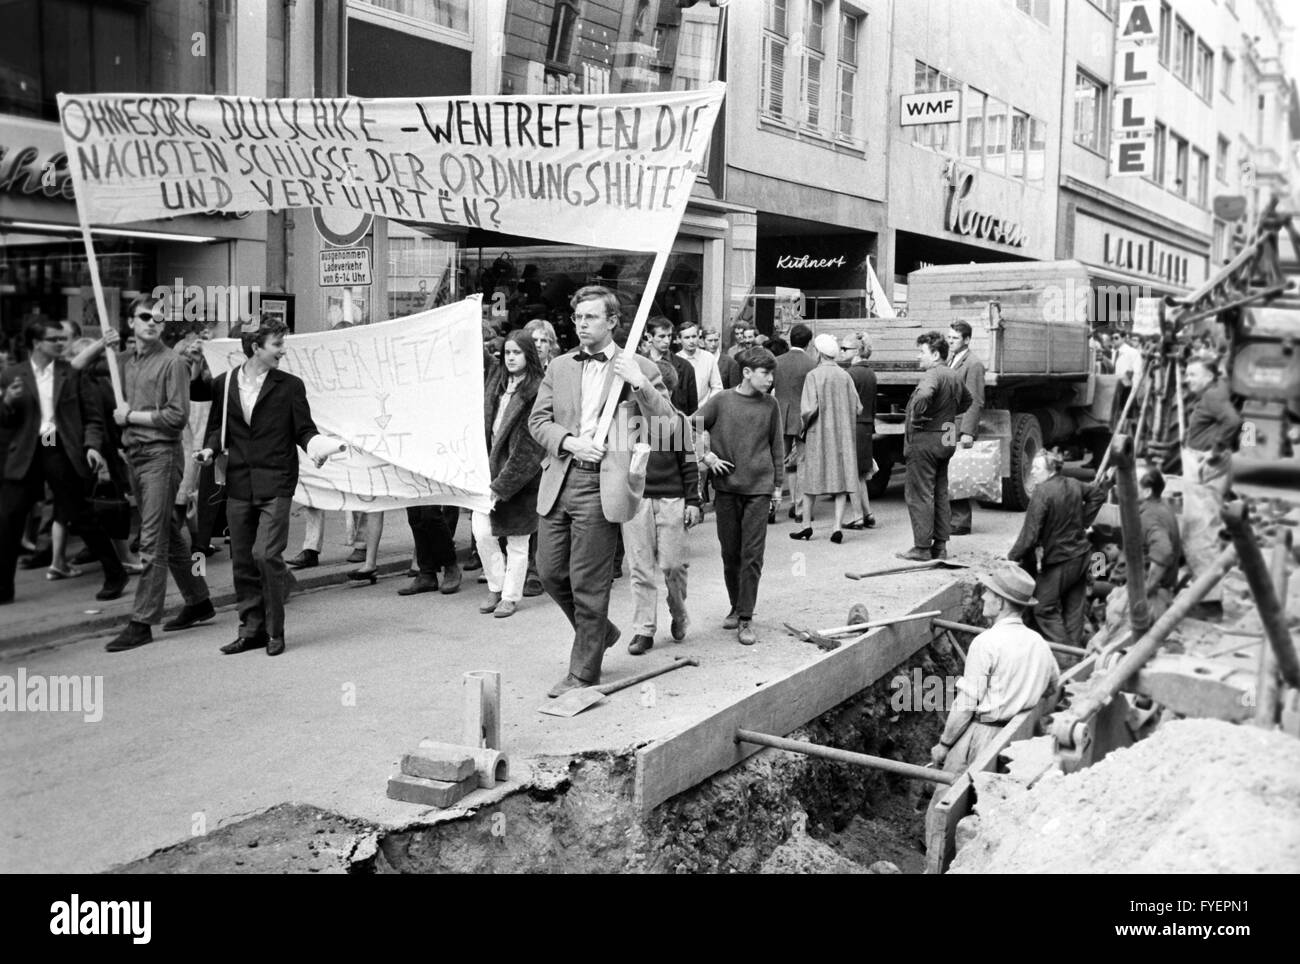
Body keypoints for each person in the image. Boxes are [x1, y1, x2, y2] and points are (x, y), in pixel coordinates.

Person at [528, 285, 673, 697]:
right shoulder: (560, 366)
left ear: (612, 321)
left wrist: (640, 384)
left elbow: (668, 424)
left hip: (603, 483)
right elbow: (538, 422)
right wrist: (569, 441)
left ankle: (583, 670)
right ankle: (601, 631)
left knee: (588, 581)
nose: (581, 325)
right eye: (577, 318)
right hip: (561, 476)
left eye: (590, 317)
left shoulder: (638, 365)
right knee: (552, 571)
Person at [194, 318, 338, 656]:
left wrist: (317, 448)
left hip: (276, 481)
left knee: (265, 554)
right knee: (242, 560)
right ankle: (251, 630)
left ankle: (275, 631)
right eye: (277, 345)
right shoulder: (225, 384)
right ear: (256, 347)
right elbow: (218, 428)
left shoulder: (290, 386)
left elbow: (304, 430)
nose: (283, 351)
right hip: (239, 483)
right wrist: (209, 449)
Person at [104, 296, 213, 652]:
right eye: (144, 316)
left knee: (151, 540)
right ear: (131, 322)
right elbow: (78, 372)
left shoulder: (173, 364)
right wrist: (99, 345)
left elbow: (176, 416)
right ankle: (199, 601)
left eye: (159, 319)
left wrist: (131, 417)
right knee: (168, 529)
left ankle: (142, 622)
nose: (152, 322)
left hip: (161, 457)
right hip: (134, 455)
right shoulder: (125, 362)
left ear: (165, 326)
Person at [0, 321, 128, 605]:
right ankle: (3, 588)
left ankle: (115, 573)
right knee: (9, 519)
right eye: (53, 339)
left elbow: (93, 417)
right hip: (26, 452)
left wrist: (92, 447)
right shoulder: (12, 375)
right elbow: (5, 421)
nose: (60, 343)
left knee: (79, 513)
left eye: (62, 338)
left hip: (57, 447)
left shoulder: (71, 374)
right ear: (36, 343)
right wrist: (7, 401)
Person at [929, 566, 1060, 778]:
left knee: (947, 797)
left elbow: (966, 704)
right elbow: (1053, 685)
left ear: (1000, 602)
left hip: (985, 735)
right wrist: (1022, 695)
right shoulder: (1039, 642)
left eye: (989, 592)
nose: (983, 596)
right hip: (1019, 735)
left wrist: (944, 744)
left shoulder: (986, 642)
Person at [695, 346, 784, 646]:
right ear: (746, 373)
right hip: (726, 489)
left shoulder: (770, 405)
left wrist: (778, 487)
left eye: (772, 373)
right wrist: (706, 457)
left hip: (759, 489)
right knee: (730, 553)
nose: (770, 379)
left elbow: (777, 447)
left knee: (752, 555)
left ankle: (746, 617)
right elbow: (687, 427)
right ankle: (735, 605)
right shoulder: (720, 401)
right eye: (765, 373)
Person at [623, 362, 701, 655]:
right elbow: (617, 464)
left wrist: (693, 501)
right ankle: (644, 629)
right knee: (640, 567)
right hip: (637, 502)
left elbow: (690, 463)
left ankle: (678, 610)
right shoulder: (628, 421)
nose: (656, 396)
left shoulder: (678, 421)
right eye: (650, 389)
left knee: (673, 565)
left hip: (672, 500)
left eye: (661, 390)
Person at [472, 331, 546, 618]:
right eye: (507, 353)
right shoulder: (496, 379)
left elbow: (530, 448)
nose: (511, 358)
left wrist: (503, 485)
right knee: (482, 533)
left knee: (518, 540)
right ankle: (495, 584)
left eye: (517, 352)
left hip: (520, 479)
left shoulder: (538, 389)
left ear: (529, 354)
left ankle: (510, 595)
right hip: (486, 472)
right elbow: (476, 354)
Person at [1007, 450, 1113, 648]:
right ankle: (1075, 652)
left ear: (1050, 470)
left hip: (1061, 559)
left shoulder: (1042, 492)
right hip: (1082, 557)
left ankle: (1064, 657)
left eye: (1037, 468)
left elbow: (1030, 533)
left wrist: (1013, 556)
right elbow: (1098, 495)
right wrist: (1082, 521)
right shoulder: (1073, 483)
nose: (1032, 472)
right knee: (1074, 611)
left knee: (1043, 608)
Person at [898, 332, 971, 562]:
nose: (918, 356)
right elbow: (968, 401)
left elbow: (923, 395)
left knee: (920, 494)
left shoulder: (932, 374)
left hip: (926, 440)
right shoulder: (954, 374)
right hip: (946, 439)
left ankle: (921, 547)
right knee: (940, 492)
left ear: (936, 354)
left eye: (922, 352)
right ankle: (940, 546)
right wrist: (945, 417)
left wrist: (917, 415)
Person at [1180, 357, 1241, 616]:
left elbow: (1234, 421)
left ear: (1208, 376)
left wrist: (1215, 450)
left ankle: (1209, 602)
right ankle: (1206, 593)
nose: (1187, 379)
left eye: (1193, 374)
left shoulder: (1213, 396)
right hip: (1205, 462)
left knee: (1200, 529)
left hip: (1203, 464)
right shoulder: (1217, 390)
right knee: (1205, 526)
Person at [790, 334, 860, 543]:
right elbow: (858, 407)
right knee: (840, 480)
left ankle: (806, 526)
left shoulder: (813, 375)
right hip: (842, 435)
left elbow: (808, 409)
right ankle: (836, 527)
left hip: (818, 434)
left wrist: (803, 427)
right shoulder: (845, 376)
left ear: (819, 353)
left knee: (811, 479)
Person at [773, 323, 817, 521]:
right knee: (803, 464)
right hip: (803, 419)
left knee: (776, 462)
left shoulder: (777, 361)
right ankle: (800, 509)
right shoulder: (811, 364)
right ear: (808, 343)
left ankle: (771, 507)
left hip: (781, 415)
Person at [945, 321, 986, 536]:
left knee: (959, 471)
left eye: (955, 338)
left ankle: (961, 521)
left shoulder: (974, 364)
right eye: (949, 337)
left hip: (960, 424)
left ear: (967, 340)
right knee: (948, 470)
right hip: (948, 423)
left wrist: (968, 431)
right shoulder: (952, 359)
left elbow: (975, 400)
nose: (950, 341)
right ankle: (950, 517)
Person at [839, 334, 877, 529]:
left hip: (852, 425)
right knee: (860, 473)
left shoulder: (850, 374)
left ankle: (857, 516)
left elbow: (845, 404)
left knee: (851, 473)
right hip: (866, 425)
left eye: (845, 349)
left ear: (856, 351)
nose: (841, 352)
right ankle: (868, 513)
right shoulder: (870, 373)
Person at [1138, 466, 1182, 621]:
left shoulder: (1150, 515)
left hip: (1154, 598)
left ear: (1147, 491)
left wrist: (1146, 590)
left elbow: (1163, 552)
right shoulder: (1162, 506)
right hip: (1162, 592)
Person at [643, 316, 698, 415]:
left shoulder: (685, 367)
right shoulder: (639, 364)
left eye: (669, 336)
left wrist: (697, 429)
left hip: (676, 425)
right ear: (650, 337)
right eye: (662, 336)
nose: (667, 341)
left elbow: (694, 409)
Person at [676, 321, 722, 407]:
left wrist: (707, 406)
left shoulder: (708, 358)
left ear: (698, 337)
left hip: (703, 411)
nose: (691, 341)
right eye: (687, 337)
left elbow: (717, 387)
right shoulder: (675, 360)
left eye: (694, 336)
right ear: (679, 339)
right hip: (681, 412)